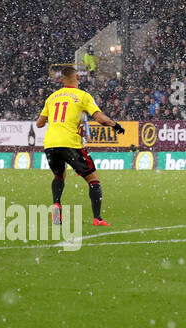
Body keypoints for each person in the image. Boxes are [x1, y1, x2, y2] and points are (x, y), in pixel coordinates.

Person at [36, 65, 124, 228]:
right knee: (93, 180)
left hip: (50, 144)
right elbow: (100, 118)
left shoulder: (52, 97)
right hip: (70, 143)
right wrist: (115, 125)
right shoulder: (83, 96)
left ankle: (56, 208)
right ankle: (97, 218)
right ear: (77, 78)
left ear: (62, 80)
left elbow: (40, 123)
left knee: (59, 177)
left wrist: (56, 121)